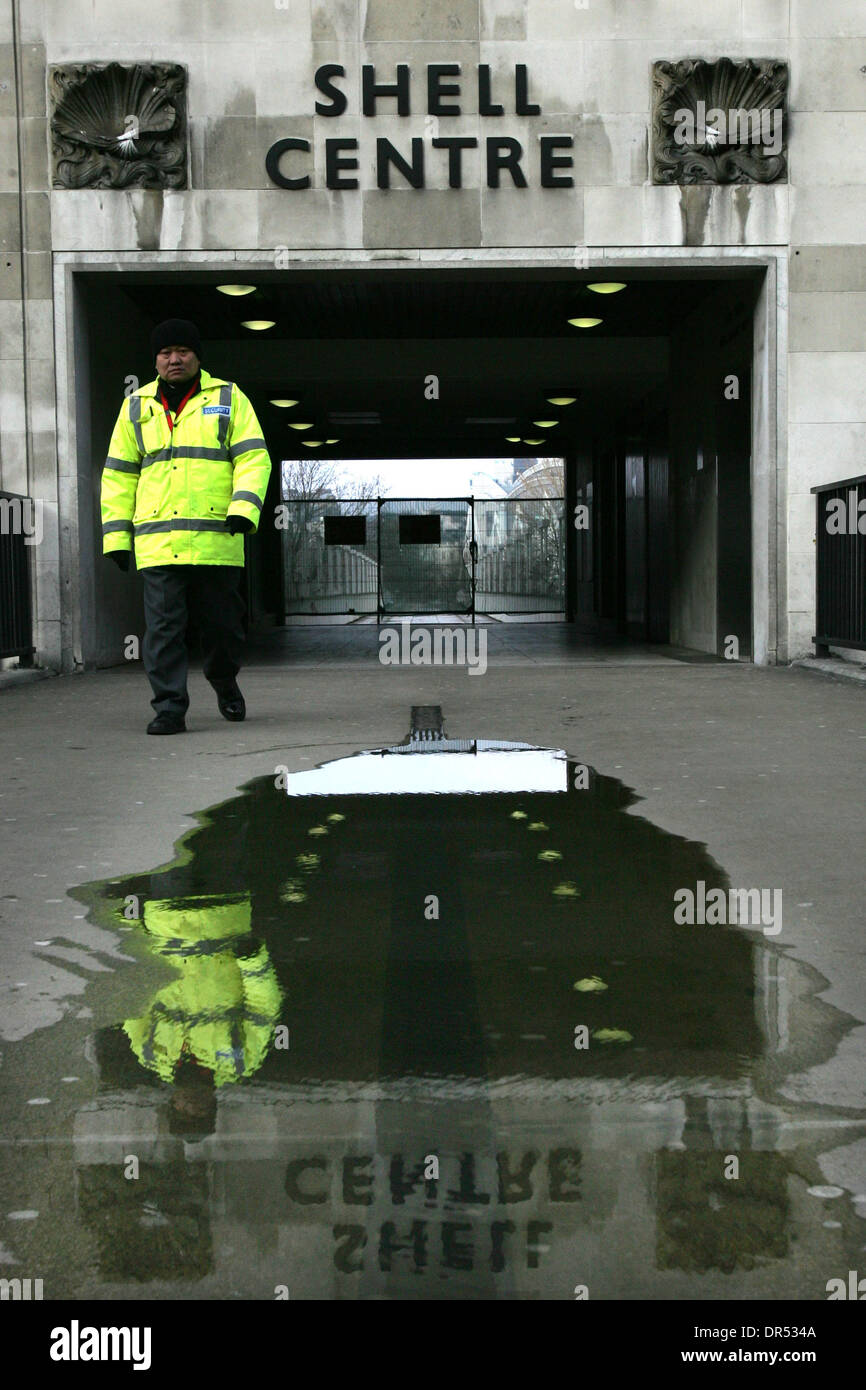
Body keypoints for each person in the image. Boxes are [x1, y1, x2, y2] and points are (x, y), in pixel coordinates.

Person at [100, 318, 271, 734]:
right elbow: (119, 474)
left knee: (223, 629)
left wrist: (243, 509)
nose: (174, 359)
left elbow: (253, 458)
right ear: (155, 360)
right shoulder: (136, 405)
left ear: (197, 356)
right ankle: (169, 708)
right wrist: (117, 537)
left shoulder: (229, 398)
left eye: (182, 351)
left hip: (218, 539)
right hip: (159, 544)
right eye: (165, 353)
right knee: (163, 630)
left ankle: (224, 680)